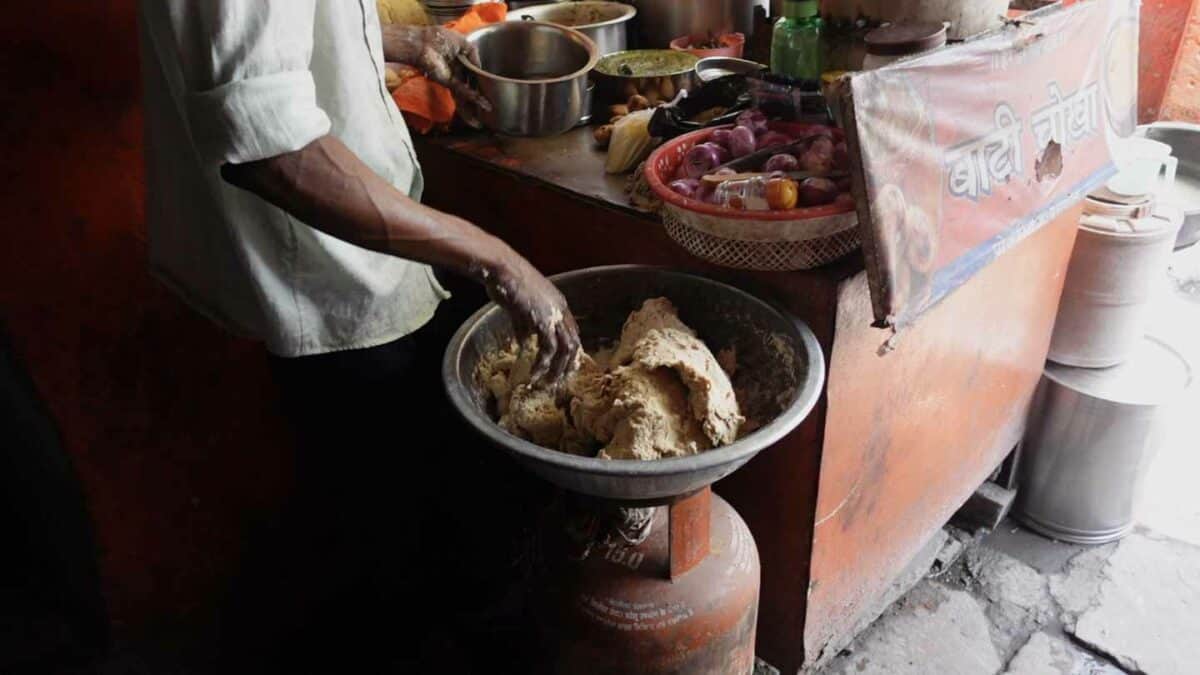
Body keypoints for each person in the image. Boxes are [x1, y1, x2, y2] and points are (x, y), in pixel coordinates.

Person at [136, 2, 579, 670]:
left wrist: (403, 40)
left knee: (413, 513)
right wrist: (496, 257)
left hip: (357, 266)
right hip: (324, 276)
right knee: (390, 543)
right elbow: (268, 146)